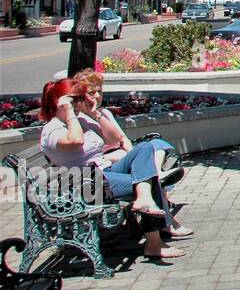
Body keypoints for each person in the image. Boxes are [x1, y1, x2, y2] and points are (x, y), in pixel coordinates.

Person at [39, 78, 186, 260]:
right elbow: (75, 141)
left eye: (80, 98)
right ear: (59, 102)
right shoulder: (53, 129)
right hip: (87, 183)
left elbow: (112, 140)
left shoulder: (79, 121)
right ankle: (154, 243)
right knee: (149, 179)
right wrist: (69, 114)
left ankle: (145, 198)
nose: (78, 103)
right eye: (74, 99)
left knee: (145, 148)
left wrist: (95, 114)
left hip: (103, 172)